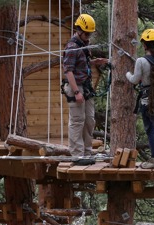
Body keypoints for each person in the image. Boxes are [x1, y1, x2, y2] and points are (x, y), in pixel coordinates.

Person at [62, 13, 108, 157]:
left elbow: (82, 64)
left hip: (86, 87)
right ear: (79, 30)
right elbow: (68, 71)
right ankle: (77, 155)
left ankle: (87, 152)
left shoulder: (84, 45)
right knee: (77, 121)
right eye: (87, 34)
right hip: (76, 87)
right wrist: (76, 92)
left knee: (89, 120)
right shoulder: (72, 46)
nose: (89, 37)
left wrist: (95, 62)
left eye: (90, 34)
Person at [126, 28, 154, 169]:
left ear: (145, 45)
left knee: (150, 129)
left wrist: (126, 73)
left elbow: (134, 80)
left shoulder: (141, 61)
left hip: (148, 101)